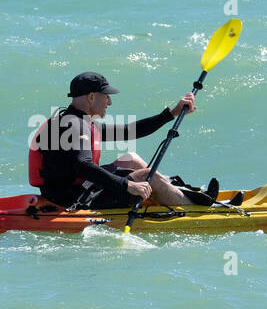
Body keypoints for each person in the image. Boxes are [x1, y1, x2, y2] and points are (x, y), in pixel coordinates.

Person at [29, 72, 197, 210]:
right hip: (74, 200)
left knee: (131, 159)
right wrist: (127, 185)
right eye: (106, 96)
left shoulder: (75, 120)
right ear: (91, 97)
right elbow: (83, 165)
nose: (109, 102)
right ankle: (191, 210)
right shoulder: (73, 126)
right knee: (146, 176)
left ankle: (173, 192)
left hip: (79, 188)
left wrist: (172, 114)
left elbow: (129, 131)